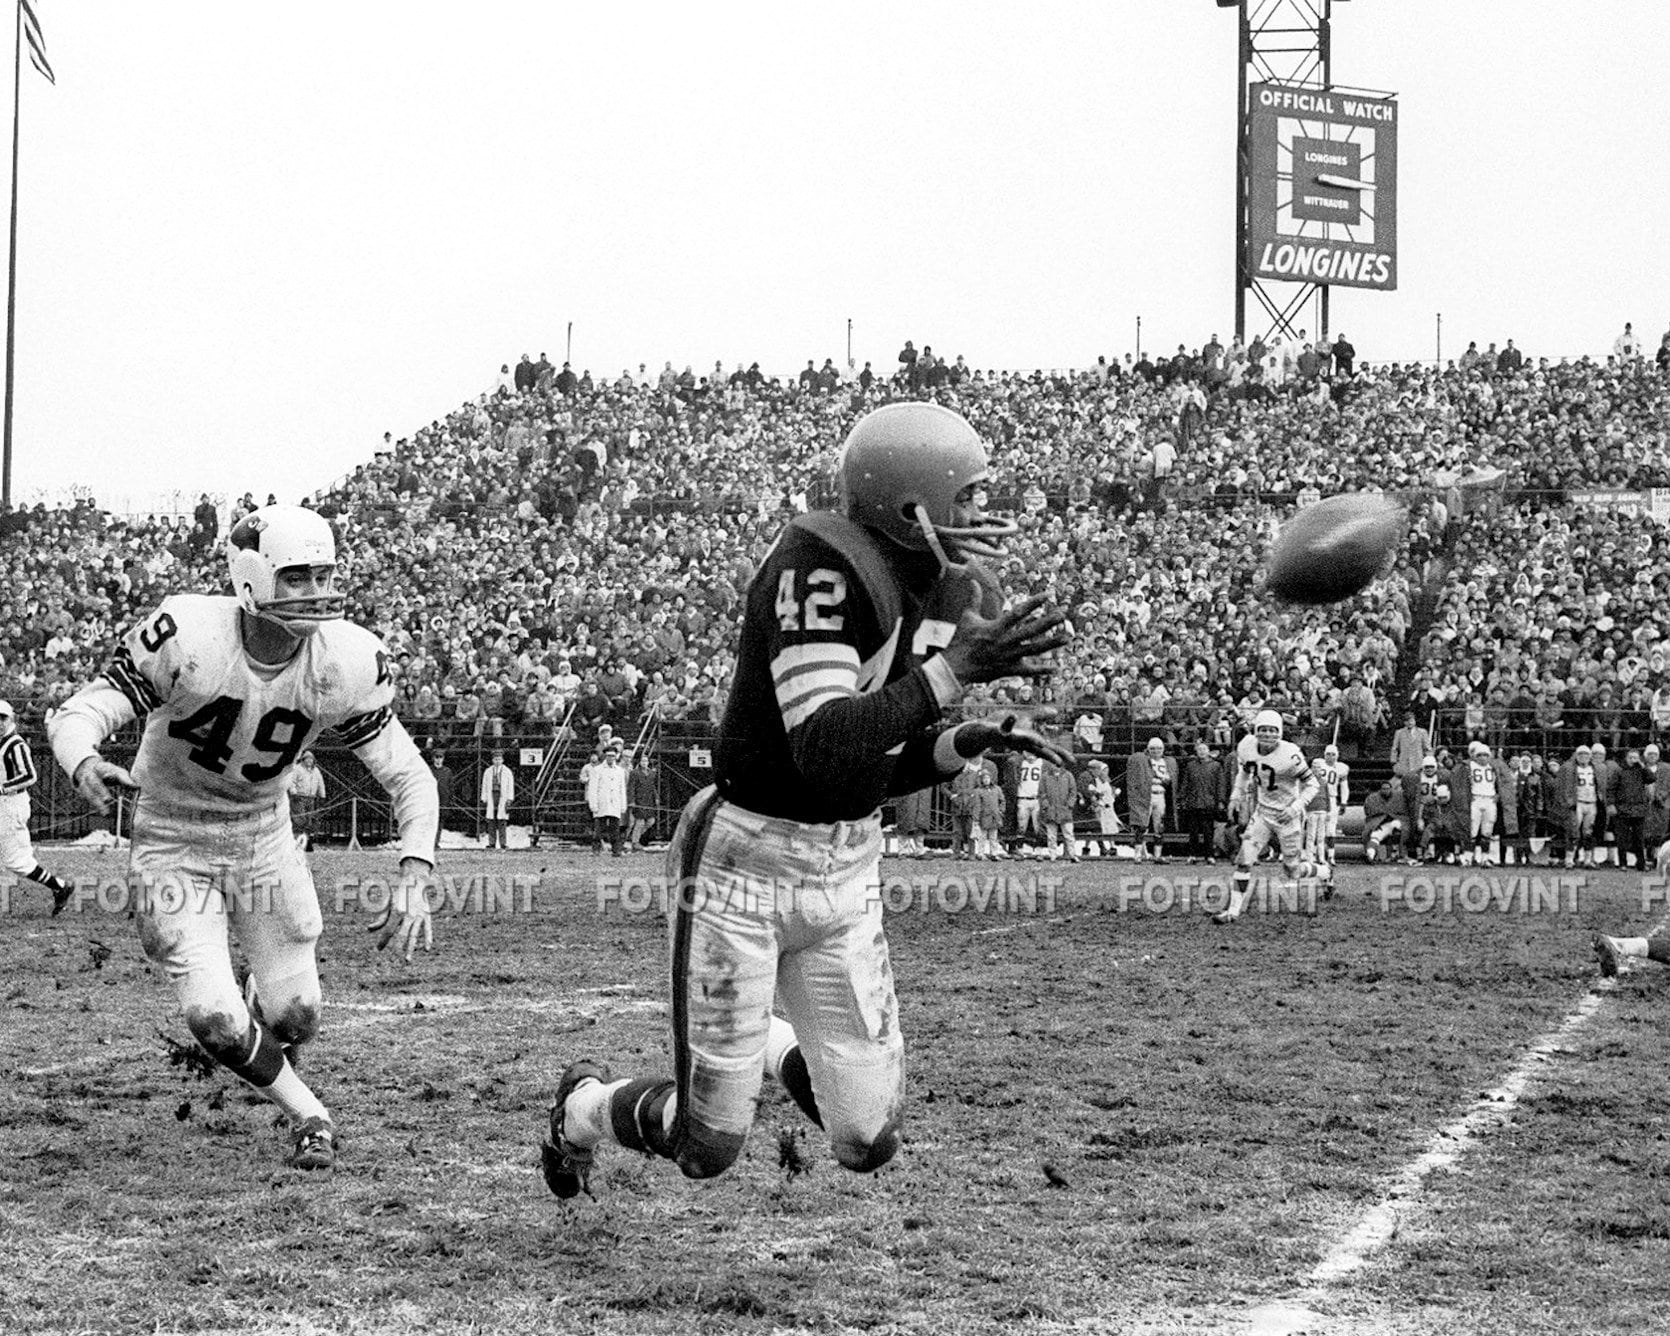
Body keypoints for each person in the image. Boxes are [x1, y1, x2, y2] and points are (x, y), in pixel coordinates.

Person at [538, 401, 1070, 1200]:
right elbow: (822, 739)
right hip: (743, 863)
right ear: (910, 501)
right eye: (967, 495)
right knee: (705, 1146)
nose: (984, 514)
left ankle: (768, 1043)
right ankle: (579, 1109)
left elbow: (863, 769)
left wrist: (963, 743)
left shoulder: (955, 592)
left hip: (844, 868)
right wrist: (952, 675)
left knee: (865, 1138)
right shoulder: (820, 564)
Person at [46, 504, 438, 1171]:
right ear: (252, 579)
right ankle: (308, 1112)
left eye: (324, 572)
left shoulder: (345, 657)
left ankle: (260, 1028)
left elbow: (409, 776)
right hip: (174, 836)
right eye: (296, 575)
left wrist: (415, 873)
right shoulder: (189, 634)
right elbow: (85, 709)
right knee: (214, 1020)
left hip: (262, 835)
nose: (315, 590)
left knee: (295, 1019)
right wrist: (83, 757)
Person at [1217, 711, 1325, 924]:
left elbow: (1312, 784)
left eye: (1272, 730)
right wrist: (1236, 796)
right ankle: (1233, 911)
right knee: (1244, 860)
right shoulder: (1247, 746)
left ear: (1280, 732)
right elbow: (1245, 772)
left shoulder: (1290, 753)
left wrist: (1295, 808)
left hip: (1288, 816)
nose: (1267, 734)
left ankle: (1324, 872)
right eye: (1263, 729)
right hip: (1263, 813)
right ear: (1256, 731)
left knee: (1292, 871)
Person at [0, 699, 74, 913]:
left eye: (2, 718)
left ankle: (60, 886)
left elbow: (30, 775)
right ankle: (60, 886)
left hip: (11, 804)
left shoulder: (15, 744)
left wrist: (4, 787)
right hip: (5, 802)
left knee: (16, 861)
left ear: (11, 719)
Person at [586, 741, 628, 856]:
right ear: (605, 756)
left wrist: (623, 805)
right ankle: (596, 850)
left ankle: (616, 851)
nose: (611, 758)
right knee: (599, 829)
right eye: (609, 756)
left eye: (613, 756)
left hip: (615, 803)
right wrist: (593, 804)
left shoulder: (620, 771)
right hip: (602, 803)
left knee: (615, 830)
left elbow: (622, 789)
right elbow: (593, 788)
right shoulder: (597, 770)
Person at [287, 750, 326, 851]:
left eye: (311, 759)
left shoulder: (316, 771)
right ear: (303, 760)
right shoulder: (297, 769)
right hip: (299, 797)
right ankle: (296, 843)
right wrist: (293, 793)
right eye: (307, 759)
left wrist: (322, 796)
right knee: (299, 820)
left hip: (311, 798)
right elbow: (291, 781)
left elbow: (320, 783)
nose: (309, 761)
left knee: (308, 822)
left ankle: (306, 842)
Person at [480, 750, 514, 849]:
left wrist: (509, 798)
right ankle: (492, 843)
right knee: (491, 821)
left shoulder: (507, 772)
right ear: (492, 760)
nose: (497, 761)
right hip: (492, 796)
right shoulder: (488, 771)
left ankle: (503, 843)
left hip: (502, 796)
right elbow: (485, 785)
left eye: (499, 759)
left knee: (502, 821)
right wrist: (484, 798)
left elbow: (510, 786)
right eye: (495, 759)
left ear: (502, 760)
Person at [625, 752, 659, 850]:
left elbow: (653, 787)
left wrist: (656, 797)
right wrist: (631, 800)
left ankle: (634, 837)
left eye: (646, 761)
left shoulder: (652, 773)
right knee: (639, 822)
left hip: (649, 800)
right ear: (639, 762)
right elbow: (631, 787)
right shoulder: (634, 773)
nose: (644, 763)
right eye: (642, 761)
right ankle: (635, 842)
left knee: (651, 821)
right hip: (639, 800)